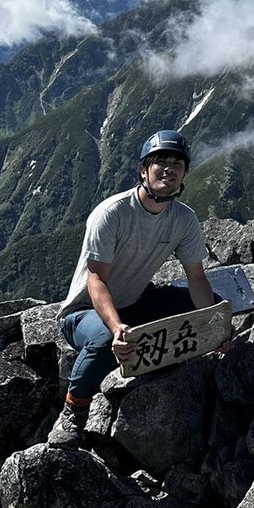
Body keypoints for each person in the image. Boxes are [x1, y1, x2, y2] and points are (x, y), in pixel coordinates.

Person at [47, 128, 215, 448]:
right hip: (84, 312)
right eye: (159, 161)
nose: (169, 168)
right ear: (143, 170)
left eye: (177, 164)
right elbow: (95, 279)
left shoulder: (184, 219)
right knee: (104, 337)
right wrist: (116, 326)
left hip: (136, 301)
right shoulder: (112, 213)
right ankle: (73, 412)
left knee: (213, 305)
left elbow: (196, 278)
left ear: (183, 175)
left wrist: (213, 324)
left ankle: (166, 362)